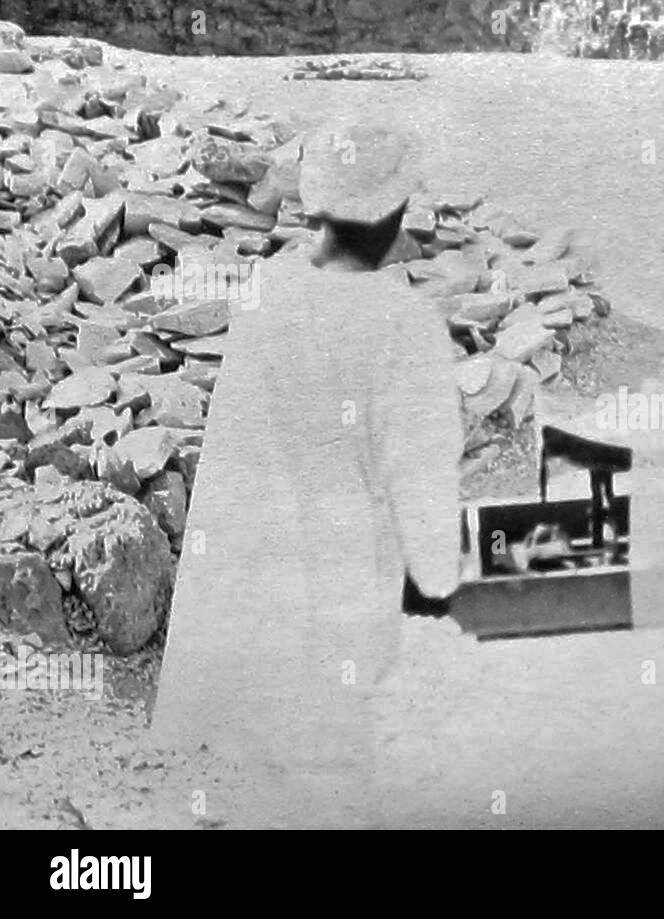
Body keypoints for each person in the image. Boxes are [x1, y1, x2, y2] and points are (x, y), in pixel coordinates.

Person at [151, 118, 465, 828]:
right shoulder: (403, 323)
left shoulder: (271, 289)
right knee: (323, 780)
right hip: (333, 590)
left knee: (234, 773)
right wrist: (438, 579)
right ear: (392, 213)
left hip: (243, 582)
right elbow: (421, 470)